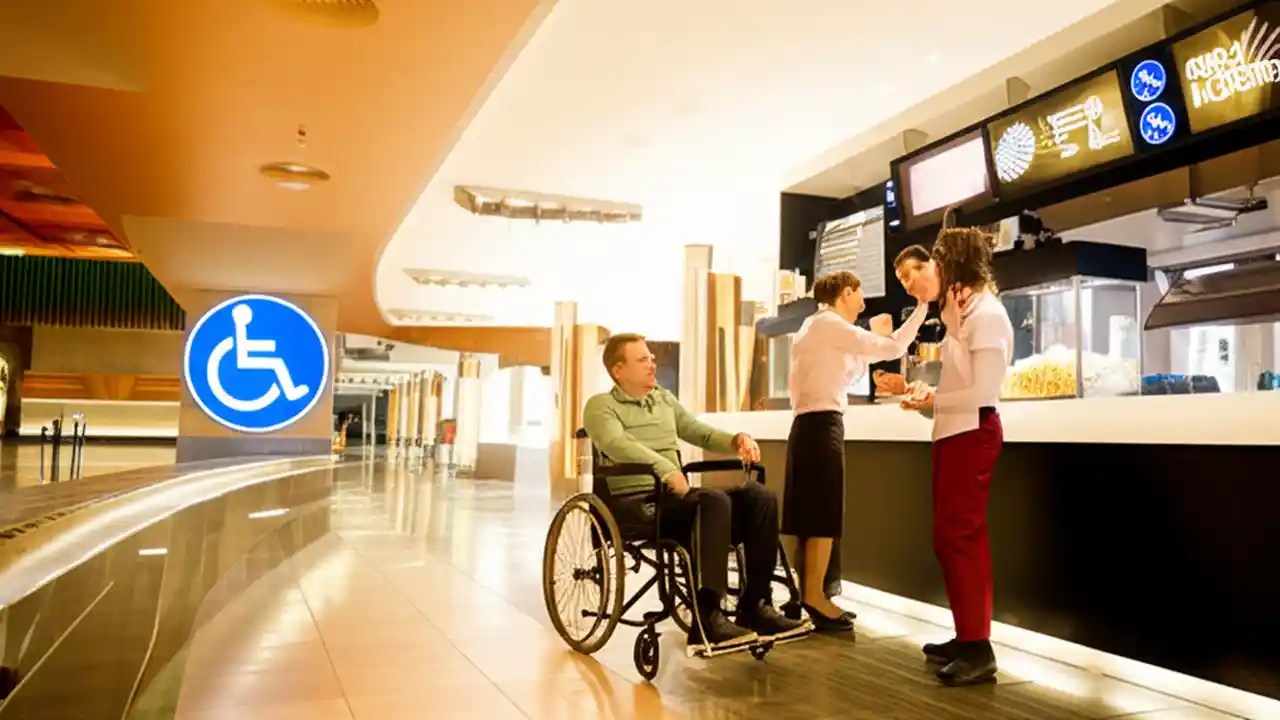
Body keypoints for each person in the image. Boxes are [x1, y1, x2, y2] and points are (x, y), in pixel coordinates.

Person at [583, 333, 811, 651]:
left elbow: (695, 431)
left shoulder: (663, 399)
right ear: (618, 370)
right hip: (637, 504)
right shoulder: (600, 406)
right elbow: (618, 445)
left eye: (651, 357)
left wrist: (735, 439)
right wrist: (665, 469)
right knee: (712, 500)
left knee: (760, 498)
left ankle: (756, 605)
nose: (652, 363)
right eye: (642, 359)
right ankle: (707, 617)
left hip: (678, 499)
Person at [897, 228, 1014, 686]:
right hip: (954, 433)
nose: (933, 269)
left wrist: (933, 401)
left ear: (954, 264)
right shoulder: (960, 311)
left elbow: (984, 393)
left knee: (959, 536)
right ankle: (968, 636)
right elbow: (959, 385)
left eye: (937, 260)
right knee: (951, 537)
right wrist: (931, 399)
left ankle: (978, 646)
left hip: (974, 433)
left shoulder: (987, 315)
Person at [785, 270, 929, 631]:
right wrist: (923, 307)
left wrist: (872, 347)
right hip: (821, 426)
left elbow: (847, 371)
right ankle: (815, 597)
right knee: (823, 514)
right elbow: (893, 348)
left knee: (813, 514)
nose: (863, 304)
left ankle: (812, 593)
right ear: (845, 293)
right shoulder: (829, 325)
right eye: (859, 296)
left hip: (808, 427)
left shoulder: (813, 326)